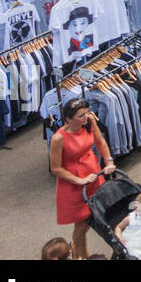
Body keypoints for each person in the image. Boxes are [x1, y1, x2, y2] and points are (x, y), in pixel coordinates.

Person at [50, 97, 116, 259]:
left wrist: (108, 161)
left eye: (86, 113)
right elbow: (56, 168)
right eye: (80, 115)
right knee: (82, 223)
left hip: (93, 175)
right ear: (68, 119)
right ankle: (80, 256)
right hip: (74, 184)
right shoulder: (58, 138)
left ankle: (81, 255)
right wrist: (79, 180)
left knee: (92, 218)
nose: (85, 117)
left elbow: (100, 142)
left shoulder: (89, 122)